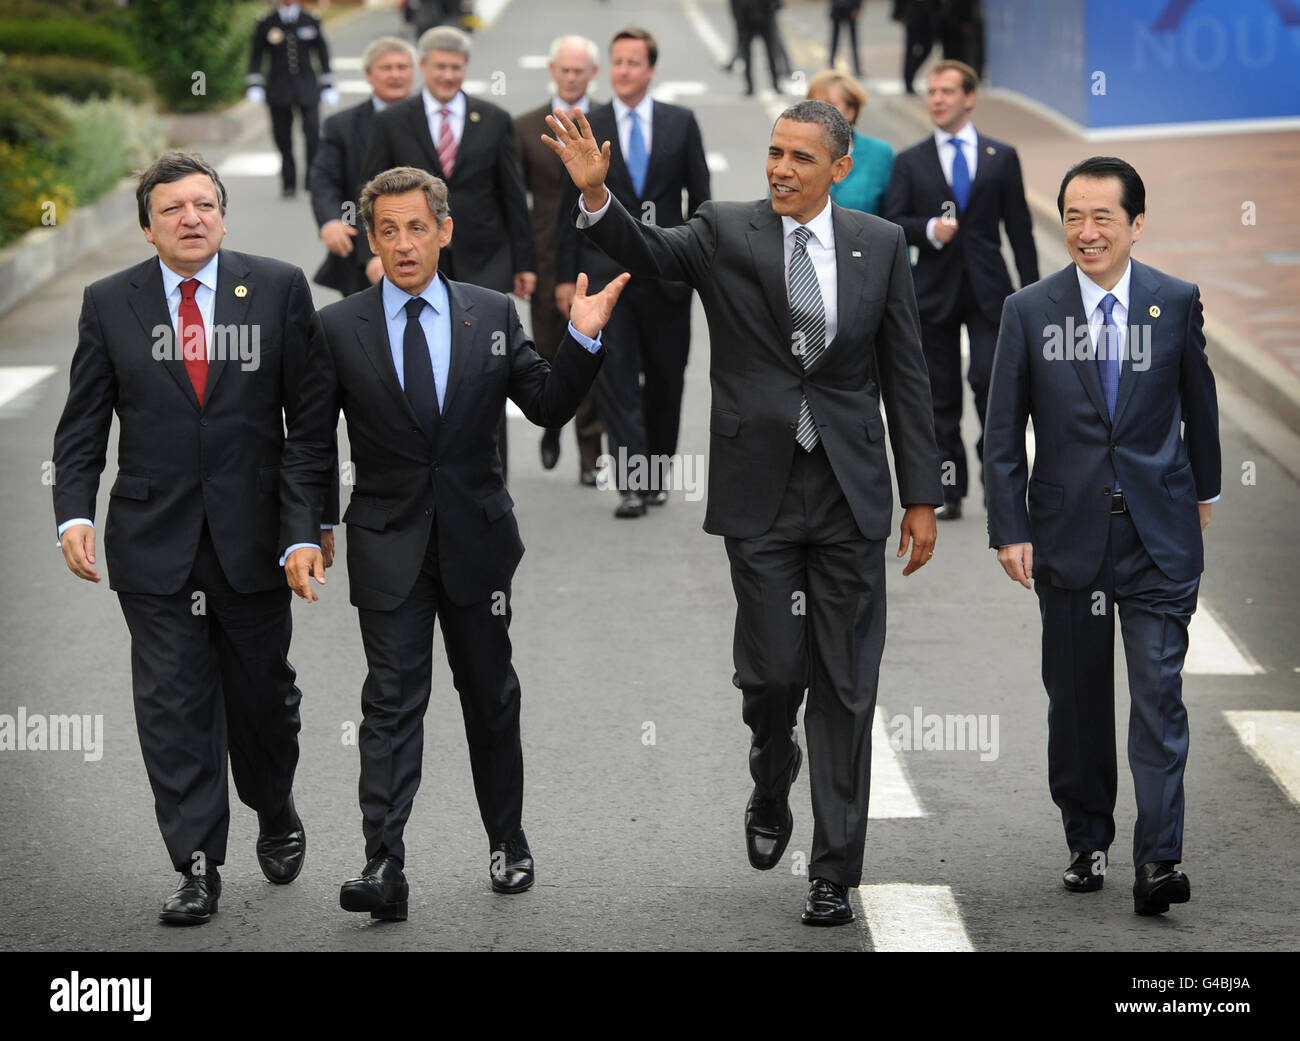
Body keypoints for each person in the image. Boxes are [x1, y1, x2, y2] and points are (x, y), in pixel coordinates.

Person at [545, 101, 941, 925]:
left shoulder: (881, 244)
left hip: (848, 490)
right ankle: (771, 762)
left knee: (846, 684)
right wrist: (596, 196)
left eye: (801, 157)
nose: (781, 169)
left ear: (840, 166)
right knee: (772, 676)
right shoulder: (726, 229)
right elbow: (648, 254)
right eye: (773, 153)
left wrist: (923, 496)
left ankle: (832, 869)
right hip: (759, 488)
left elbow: (905, 371)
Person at [279, 166, 628, 921]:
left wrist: (580, 339)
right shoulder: (339, 327)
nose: (403, 245)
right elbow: (307, 442)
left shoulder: (492, 312)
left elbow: (544, 405)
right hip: (386, 542)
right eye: (387, 231)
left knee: (490, 697)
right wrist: (308, 528)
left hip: (477, 543)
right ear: (371, 241)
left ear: (444, 230)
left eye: (416, 227)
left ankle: (507, 839)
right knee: (391, 701)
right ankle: (384, 861)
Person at [52, 151, 338, 925]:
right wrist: (73, 512)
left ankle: (274, 805)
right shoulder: (111, 303)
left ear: (222, 213)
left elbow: (309, 424)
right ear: (148, 227)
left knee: (263, 703)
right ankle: (197, 862)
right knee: (174, 705)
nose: (191, 218)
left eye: (204, 204)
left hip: (254, 540)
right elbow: (83, 424)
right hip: (154, 542)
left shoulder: (277, 287)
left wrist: (312, 522)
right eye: (172, 208)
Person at [984, 157, 1220, 916]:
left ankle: (1159, 859)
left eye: (1103, 219)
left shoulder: (1174, 302)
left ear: (1136, 224)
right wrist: (1009, 526)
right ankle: (1086, 837)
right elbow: (1000, 433)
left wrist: (1204, 493)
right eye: (1074, 218)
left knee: (1159, 698)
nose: (1086, 233)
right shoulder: (1029, 310)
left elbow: (1200, 407)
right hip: (1069, 535)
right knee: (1079, 701)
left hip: (1158, 535)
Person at [363, 24, 536, 480]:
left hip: (485, 258)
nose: (447, 75)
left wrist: (525, 263)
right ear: (423, 67)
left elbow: (513, 196)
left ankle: (490, 469)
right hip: (414, 256)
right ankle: (429, 462)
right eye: (439, 66)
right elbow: (370, 192)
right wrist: (374, 252)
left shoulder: (494, 119)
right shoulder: (392, 121)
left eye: (456, 67)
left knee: (487, 364)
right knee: (428, 358)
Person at [556, 27, 711, 518]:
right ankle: (630, 484)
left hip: (669, 275)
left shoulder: (680, 122)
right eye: (617, 61)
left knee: (666, 378)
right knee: (617, 378)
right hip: (607, 277)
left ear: (650, 69)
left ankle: (657, 474)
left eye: (634, 62)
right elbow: (567, 208)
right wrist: (565, 277)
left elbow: (701, 201)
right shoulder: (589, 123)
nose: (624, 70)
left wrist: (702, 265)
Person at [885, 59, 1037, 520]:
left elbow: (1020, 230)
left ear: (969, 98)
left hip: (991, 293)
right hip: (932, 294)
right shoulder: (910, 161)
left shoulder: (1001, 156)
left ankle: (1000, 489)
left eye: (947, 92)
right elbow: (893, 223)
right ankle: (949, 488)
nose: (937, 100)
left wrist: (1034, 296)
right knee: (939, 395)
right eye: (932, 92)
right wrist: (929, 228)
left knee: (991, 385)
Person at [514, 35, 604, 485]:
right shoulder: (526, 126)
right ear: (553, 71)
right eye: (564, 70)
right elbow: (514, 199)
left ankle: (591, 452)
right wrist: (522, 261)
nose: (571, 78)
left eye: (579, 71)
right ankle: (552, 426)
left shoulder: (604, 123)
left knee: (588, 347)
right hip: (544, 251)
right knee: (548, 349)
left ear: (593, 74)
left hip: (594, 249)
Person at [310, 37, 416, 298]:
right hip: (359, 245)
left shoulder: (432, 121)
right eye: (386, 68)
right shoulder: (341, 126)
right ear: (369, 75)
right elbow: (324, 179)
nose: (395, 75)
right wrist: (331, 222)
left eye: (402, 67)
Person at [246, 1, 338, 198]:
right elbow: (256, 54)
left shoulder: (310, 19)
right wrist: (254, 83)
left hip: (307, 87)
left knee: (313, 133)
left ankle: (311, 181)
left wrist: (328, 83)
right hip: (278, 89)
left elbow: (322, 52)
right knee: (282, 137)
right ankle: (289, 182)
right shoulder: (267, 21)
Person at [806, 70, 892, 216]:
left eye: (830, 105)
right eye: (814, 105)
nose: (820, 113)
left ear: (850, 111)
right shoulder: (794, 152)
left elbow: (894, 215)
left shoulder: (879, 154)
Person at [828, 0, 864, 77]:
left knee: (853, 42)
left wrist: (857, 8)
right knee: (835, 40)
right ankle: (831, 64)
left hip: (851, 9)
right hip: (837, 9)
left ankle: (857, 68)